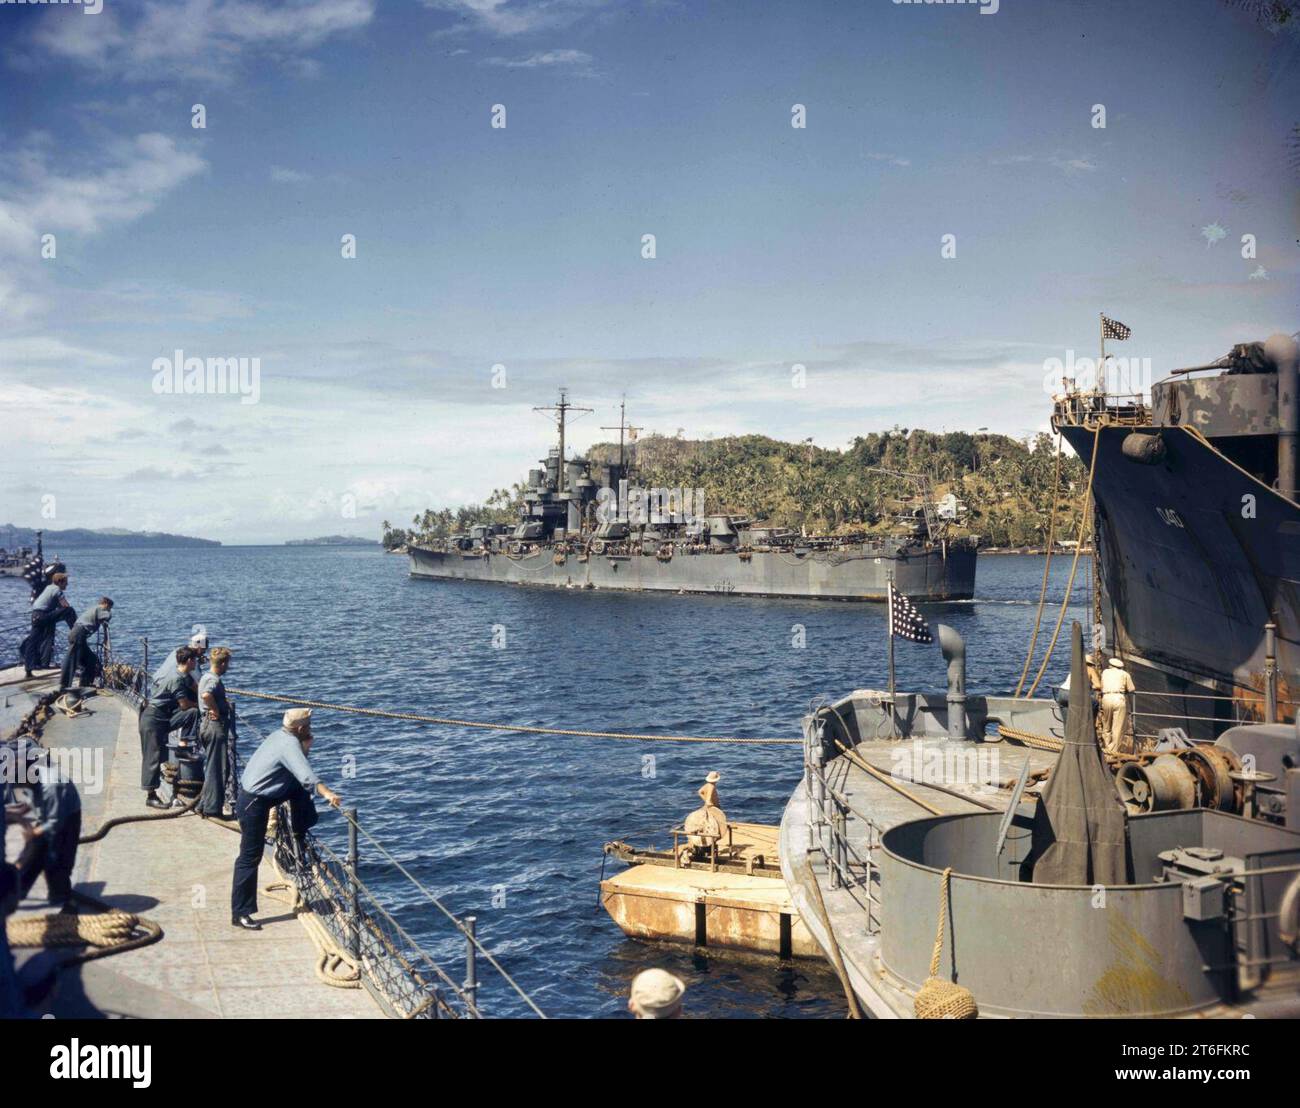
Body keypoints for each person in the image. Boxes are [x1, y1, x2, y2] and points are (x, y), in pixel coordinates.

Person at [230, 708, 342, 931]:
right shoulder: (290, 745)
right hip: (254, 803)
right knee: (250, 856)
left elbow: (297, 773)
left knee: (299, 791)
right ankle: (240, 912)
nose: (310, 730)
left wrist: (305, 749)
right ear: (300, 728)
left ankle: (298, 835)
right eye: (308, 727)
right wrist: (328, 793)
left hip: (262, 795)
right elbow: (307, 775)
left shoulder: (279, 735)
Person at [8, 745, 82, 912]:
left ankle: (63, 901)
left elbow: (55, 822)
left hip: (67, 815)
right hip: (47, 812)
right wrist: (18, 813)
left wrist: (33, 832)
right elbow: (31, 799)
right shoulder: (28, 778)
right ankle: (16, 891)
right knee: (31, 853)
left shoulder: (51, 786)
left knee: (57, 859)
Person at [138, 646, 199, 809]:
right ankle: (150, 796)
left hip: (164, 717)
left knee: (193, 713)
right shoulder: (176, 679)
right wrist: (202, 705)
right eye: (195, 660)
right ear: (188, 661)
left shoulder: (183, 675)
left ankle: (183, 747)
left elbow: (195, 687)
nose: (197, 663)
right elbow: (184, 705)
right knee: (153, 757)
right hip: (153, 719)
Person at [197, 647, 233, 818]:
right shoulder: (214, 680)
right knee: (217, 768)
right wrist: (216, 709)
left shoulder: (205, 676)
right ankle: (212, 809)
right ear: (223, 663)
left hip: (205, 725)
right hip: (214, 726)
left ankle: (204, 803)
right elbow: (206, 695)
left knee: (213, 766)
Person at [21, 571, 74, 678]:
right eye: (65, 582)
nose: (67, 585)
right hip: (43, 615)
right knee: (70, 610)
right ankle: (75, 630)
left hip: (36, 616)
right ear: (60, 582)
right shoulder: (56, 589)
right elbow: (65, 605)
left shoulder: (49, 588)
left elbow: (56, 605)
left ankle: (29, 670)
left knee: (33, 641)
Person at [59, 597, 113, 692]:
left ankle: (85, 683)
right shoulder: (100, 608)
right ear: (105, 604)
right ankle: (64, 685)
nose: (109, 610)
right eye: (109, 607)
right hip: (78, 634)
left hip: (79, 635)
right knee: (72, 660)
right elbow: (106, 616)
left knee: (91, 659)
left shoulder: (94, 609)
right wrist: (109, 613)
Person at [1098, 656, 1136, 755]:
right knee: (1117, 727)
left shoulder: (1105, 672)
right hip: (1118, 698)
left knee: (1107, 725)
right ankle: (1113, 751)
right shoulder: (1125, 674)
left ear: (1110, 665)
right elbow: (1131, 689)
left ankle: (1107, 747)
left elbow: (1101, 686)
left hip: (1106, 698)